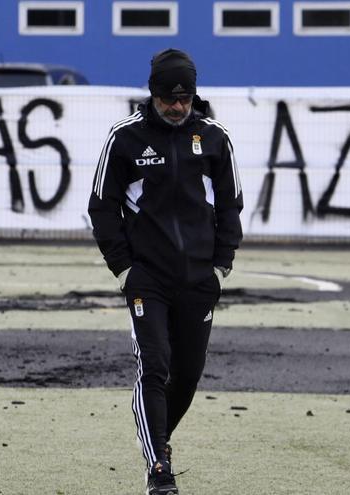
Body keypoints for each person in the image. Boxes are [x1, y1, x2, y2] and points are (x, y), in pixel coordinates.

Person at [88, 48, 243, 495]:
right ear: (152, 94)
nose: (178, 107)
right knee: (154, 365)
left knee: (188, 374)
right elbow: (102, 206)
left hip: (199, 279)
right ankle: (158, 468)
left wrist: (221, 267)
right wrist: (123, 270)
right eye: (169, 98)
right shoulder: (124, 138)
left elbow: (231, 205)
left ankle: (160, 439)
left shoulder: (215, 139)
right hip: (147, 280)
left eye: (185, 97)